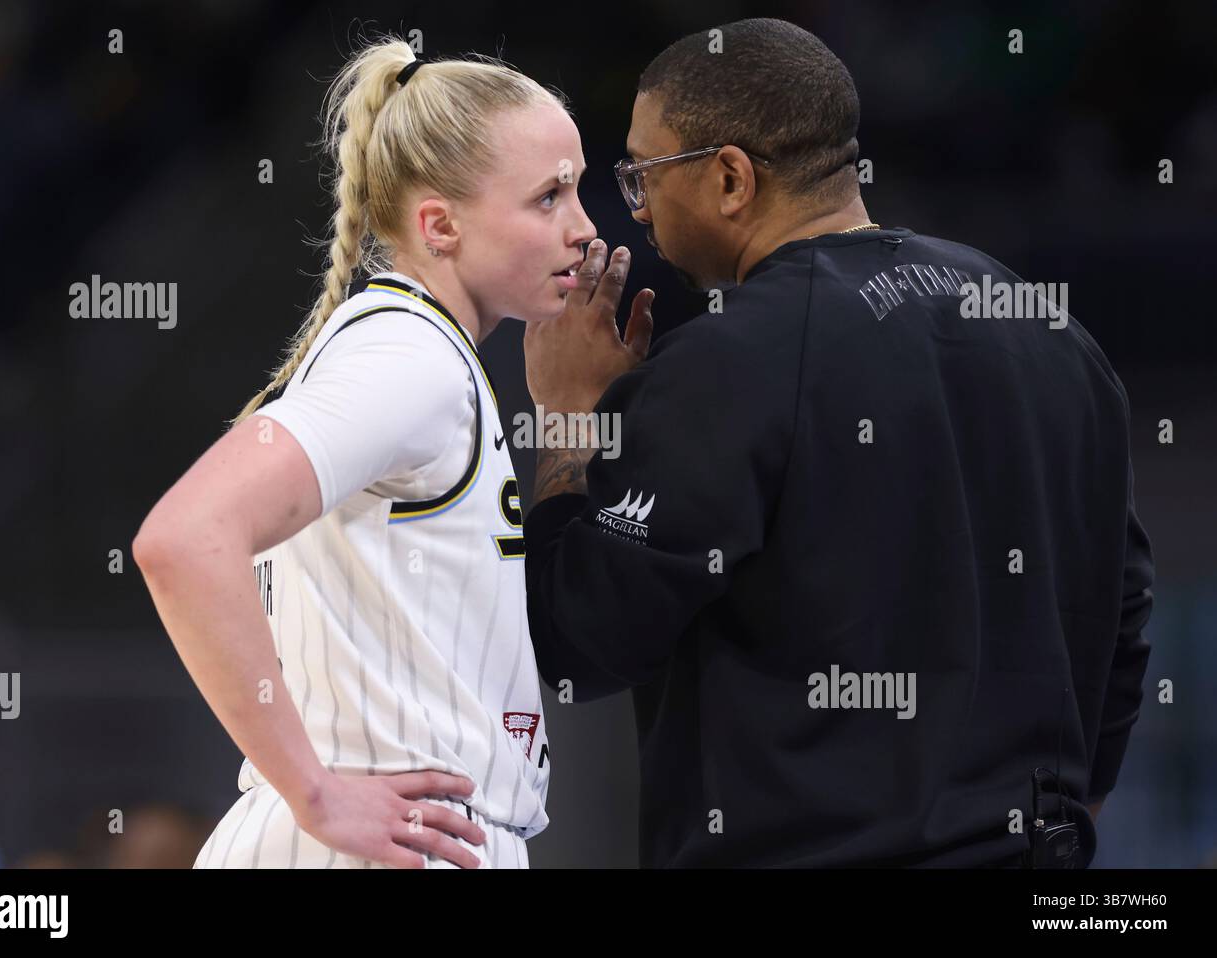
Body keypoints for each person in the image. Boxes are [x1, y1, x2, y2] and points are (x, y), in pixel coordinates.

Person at [522, 18, 1152, 867]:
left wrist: (569, 419)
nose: (635, 208)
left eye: (643, 175)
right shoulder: (1048, 327)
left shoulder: (726, 361)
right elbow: (1125, 606)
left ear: (731, 178)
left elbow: (579, 643)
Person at [134, 37, 608, 868]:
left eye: (577, 189)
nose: (583, 227)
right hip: (372, 845)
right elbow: (183, 538)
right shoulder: (408, 359)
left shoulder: (428, 354)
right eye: (548, 198)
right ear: (439, 225)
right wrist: (313, 792)